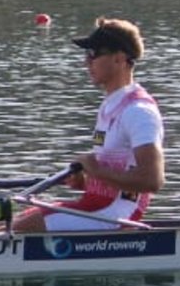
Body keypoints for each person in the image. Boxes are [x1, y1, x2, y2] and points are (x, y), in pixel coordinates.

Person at [12, 17, 164, 233]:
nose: (87, 61)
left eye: (93, 54)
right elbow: (115, 173)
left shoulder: (139, 112)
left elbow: (152, 180)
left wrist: (97, 171)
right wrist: (86, 181)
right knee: (9, 223)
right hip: (95, 204)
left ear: (119, 59)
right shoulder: (111, 104)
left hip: (118, 215)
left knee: (22, 228)